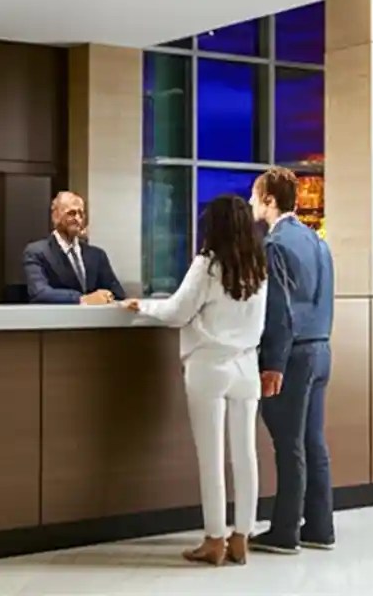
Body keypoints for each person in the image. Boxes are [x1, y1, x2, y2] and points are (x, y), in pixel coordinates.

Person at [122, 195, 267, 567]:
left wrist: (143, 306)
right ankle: (241, 538)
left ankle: (214, 540)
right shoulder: (258, 267)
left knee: (212, 457)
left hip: (209, 367)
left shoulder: (209, 265)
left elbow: (176, 311)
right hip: (247, 367)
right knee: (246, 455)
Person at [248, 167, 335, 554]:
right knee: (313, 442)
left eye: (255, 195)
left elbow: (280, 312)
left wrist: (273, 365)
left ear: (269, 200)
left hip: (293, 355)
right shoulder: (318, 242)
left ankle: (284, 531)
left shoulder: (275, 245)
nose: (251, 202)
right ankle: (320, 526)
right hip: (321, 350)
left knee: (289, 444)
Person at [23, 191, 125, 304]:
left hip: (94, 320)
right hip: (58, 319)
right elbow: (39, 293)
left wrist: (116, 299)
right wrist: (82, 299)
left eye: (81, 214)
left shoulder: (97, 255)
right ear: (55, 216)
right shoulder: (37, 252)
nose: (77, 218)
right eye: (71, 213)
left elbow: (117, 293)